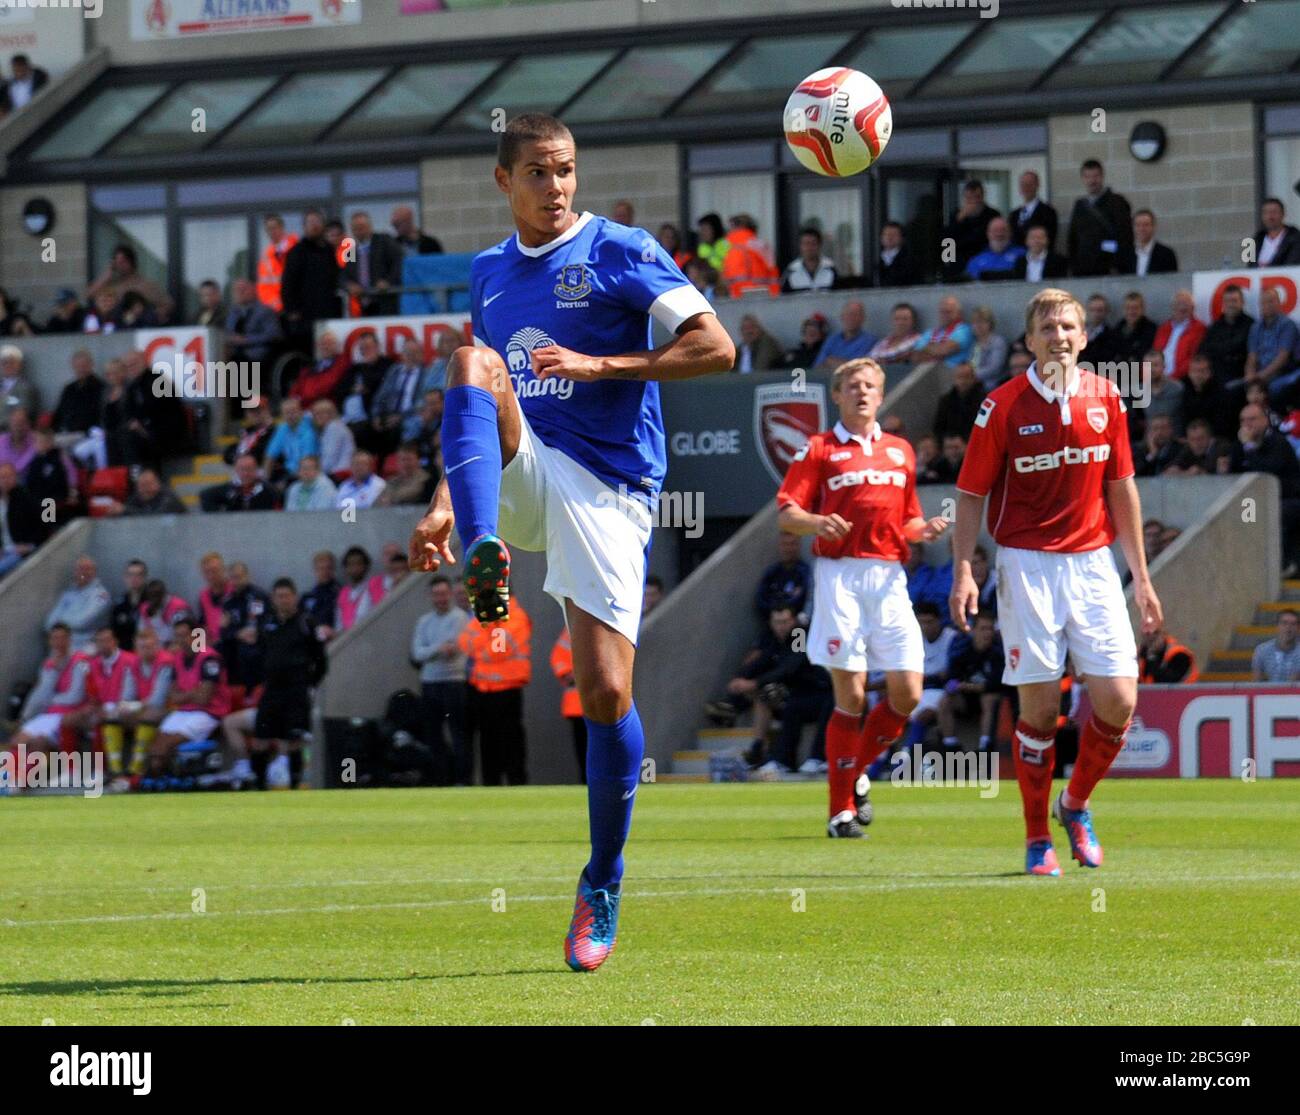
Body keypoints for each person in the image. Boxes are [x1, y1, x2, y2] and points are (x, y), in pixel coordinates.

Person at [408, 112, 733, 972]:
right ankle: (487, 554)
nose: (557, 187)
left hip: (611, 486)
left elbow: (717, 346)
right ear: (503, 180)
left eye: (567, 170)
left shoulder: (621, 249)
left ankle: (603, 875)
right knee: (470, 364)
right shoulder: (486, 274)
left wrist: (600, 366)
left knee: (604, 690)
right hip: (524, 474)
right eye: (539, 173)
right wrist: (446, 498)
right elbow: (486, 397)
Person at [950, 287, 1162, 877]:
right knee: (1040, 712)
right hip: (1025, 563)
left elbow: (1121, 488)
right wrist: (965, 568)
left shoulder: (1107, 398)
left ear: (1084, 337)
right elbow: (968, 496)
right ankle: (1037, 836)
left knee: (1119, 701)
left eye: (1068, 327)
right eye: (1048, 329)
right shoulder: (1002, 407)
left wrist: (1140, 578)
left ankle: (1077, 804)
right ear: (1030, 341)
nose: (1059, 337)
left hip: (1094, 563)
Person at [776, 357, 949, 837]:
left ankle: (852, 774)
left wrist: (924, 530)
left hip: (891, 576)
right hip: (839, 576)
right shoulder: (819, 448)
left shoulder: (900, 452)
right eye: (852, 385)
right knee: (850, 696)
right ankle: (840, 813)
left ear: (881, 393)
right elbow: (788, 512)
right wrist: (816, 522)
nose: (862, 392)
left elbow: (909, 520)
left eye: (870, 385)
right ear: (836, 395)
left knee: (908, 692)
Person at [249, 578, 327, 791]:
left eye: (286, 595)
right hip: (272, 689)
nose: (283, 600)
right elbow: (260, 652)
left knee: (295, 740)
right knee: (260, 740)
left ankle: (295, 785)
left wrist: (309, 684)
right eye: (279, 596)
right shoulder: (267, 623)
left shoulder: (306, 623)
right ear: (273, 599)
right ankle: (259, 785)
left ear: (294, 597)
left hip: (296, 690)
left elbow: (321, 660)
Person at [457, 596, 532, 786]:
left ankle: (517, 784)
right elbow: (464, 641)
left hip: (508, 687)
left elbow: (498, 649)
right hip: (483, 688)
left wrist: (483, 645)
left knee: (511, 743)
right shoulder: (486, 614)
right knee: (487, 743)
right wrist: (487, 640)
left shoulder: (516, 616)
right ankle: (491, 784)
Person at [147, 616, 231, 780]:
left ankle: (164, 779)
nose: (181, 640)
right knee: (156, 745)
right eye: (177, 636)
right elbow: (174, 697)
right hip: (184, 711)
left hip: (208, 712)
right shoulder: (177, 659)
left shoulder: (209, 658)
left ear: (196, 636)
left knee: (168, 743)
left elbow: (204, 698)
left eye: (185, 635)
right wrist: (193, 693)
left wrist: (185, 695)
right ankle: (157, 780)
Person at [411, 575, 471, 785]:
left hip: (454, 682)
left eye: (444, 593)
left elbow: (453, 649)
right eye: (436, 594)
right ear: (430, 596)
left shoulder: (460, 618)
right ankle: (440, 780)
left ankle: (463, 780)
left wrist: (431, 650)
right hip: (430, 684)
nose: (441, 598)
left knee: (459, 735)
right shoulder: (424, 621)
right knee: (433, 736)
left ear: (450, 595)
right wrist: (438, 649)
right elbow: (417, 653)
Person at [1228, 403, 1300, 575]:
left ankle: (1283, 564)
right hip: (1252, 501)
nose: (1247, 424)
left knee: (1274, 514)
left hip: (1285, 498)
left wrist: (1250, 448)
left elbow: (1267, 473)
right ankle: (1250, 567)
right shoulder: (1239, 446)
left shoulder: (1278, 443)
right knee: (1244, 517)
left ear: (1265, 420)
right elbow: (1233, 475)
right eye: (1243, 420)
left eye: (1252, 419)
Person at [5, 625, 89, 762]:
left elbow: (75, 696)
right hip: (49, 713)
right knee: (17, 741)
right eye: (55, 638)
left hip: (70, 713)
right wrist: (53, 672)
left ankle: (20, 778)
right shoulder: (49, 664)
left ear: (69, 639)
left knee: (37, 743)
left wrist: (50, 700)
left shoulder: (80, 661)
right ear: (50, 641)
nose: (58, 642)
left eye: (62, 638)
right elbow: (40, 695)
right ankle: (8, 778)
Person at [938, 612, 1007, 753]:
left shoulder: (999, 653)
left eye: (990, 629)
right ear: (973, 630)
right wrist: (954, 685)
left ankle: (985, 745)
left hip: (991, 702)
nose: (987, 633)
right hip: (966, 700)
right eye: (983, 629)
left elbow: (996, 684)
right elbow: (951, 678)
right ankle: (949, 744)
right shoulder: (963, 651)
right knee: (945, 700)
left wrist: (969, 686)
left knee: (988, 698)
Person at [280, 209, 341, 344]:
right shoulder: (296, 252)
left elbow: (336, 277)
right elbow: (287, 284)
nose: (315, 225)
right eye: (311, 222)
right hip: (305, 318)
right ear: (304, 226)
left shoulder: (329, 250)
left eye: (317, 221)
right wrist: (292, 310)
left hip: (328, 315)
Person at [1066, 159, 1134, 276]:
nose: (1092, 181)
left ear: (1102, 176)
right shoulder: (1080, 205)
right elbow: (1073, 238)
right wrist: (1073, 264)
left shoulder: (1117, 202)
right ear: (1083, 178)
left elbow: (1125, 236)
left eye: (1095, 176)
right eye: (1088, 177)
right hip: (1083, 268)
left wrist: (1116, 264)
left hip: (1108, 268)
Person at [342, 210, 404, 316]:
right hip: (363, 306)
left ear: (370, 226)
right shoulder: (351, 250)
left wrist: (388, 281)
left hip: (385, 302)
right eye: (356, 228)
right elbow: (344, 274)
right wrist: (349, 285)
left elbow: (399, 262)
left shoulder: (383, 241)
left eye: (362, 226)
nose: (359, 230)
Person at [45, 555, 111, 652]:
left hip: (85, 647)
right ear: (75, 572)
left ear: (94, 572)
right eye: (80, 569)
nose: (83, 572)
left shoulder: (100, 595)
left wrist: (59, 624)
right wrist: (59, 627)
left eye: (87, 569)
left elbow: (81, 622)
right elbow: (49, 623)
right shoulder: (68, 593)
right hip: (61, 644)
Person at [942, 179, 1000, 280]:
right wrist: (959, 220)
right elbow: (947, 241)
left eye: (977, 197)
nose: (973, 202)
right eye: (969, 198)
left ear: (982, 197)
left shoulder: (992, 215)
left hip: (985, 260)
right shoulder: (956, 216)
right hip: (960, 261)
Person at [551, 625, 587, 782]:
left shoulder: (574, 627)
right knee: (583, 750)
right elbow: (558, 657)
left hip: (592, 703)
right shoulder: (572, 629)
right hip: (577, 705)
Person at [753, 530, 811, 626]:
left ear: (799, 546)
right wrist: (775, 612)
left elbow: (804, 598)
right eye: (785, 544)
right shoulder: (772, 572)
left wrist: (787, 612)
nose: (788, 549)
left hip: (797, 628)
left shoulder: (805, 573)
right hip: (772, 626)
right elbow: (760, 600)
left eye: (792, 544)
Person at [263, 397, 319, 485]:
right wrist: (265, 481)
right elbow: (270, 456)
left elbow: (308, 461)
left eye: (293, 411)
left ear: (301, 412)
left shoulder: (308, 431)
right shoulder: (282, 428)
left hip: (307, 473)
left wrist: (286, 482)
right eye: (287, 413)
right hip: (289, 472)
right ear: (282, 415)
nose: (290, 415)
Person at [1152, 289, 1207, 381]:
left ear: (1192, 308)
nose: (1182, 308)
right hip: (1156, 377)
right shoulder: (1164, 328)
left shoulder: (1199, 329)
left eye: (1186, 304)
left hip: (1179, 379)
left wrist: (1170, 379)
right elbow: (1153, 354)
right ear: (1172, 307)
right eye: (1178, 304)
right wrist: (1147, 378)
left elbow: (1193, 359)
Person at [909, 296, 973, 367]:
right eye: (942, 312)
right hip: (926, 371)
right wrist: (936, 350)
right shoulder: (930, 332)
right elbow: (915, 356)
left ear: (958, 313)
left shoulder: (964, 330)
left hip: (951, 373)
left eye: (948, 312)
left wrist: (927, 348)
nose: (944, 315)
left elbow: (943, 350)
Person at [932, 363, 987, 443]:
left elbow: (983, 426)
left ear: (974, 378)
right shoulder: (946, 401)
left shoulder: (984, 400)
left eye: (966, 377)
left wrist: (964, 441)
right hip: (950, 445)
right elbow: (938, 428)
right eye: (959, 377)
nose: (963, 381)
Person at [814, 301, 875, 370]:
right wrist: (843, 363)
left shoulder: (869, 341)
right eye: (848, 314)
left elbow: (858, 369)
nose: (851, 318)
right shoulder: (832, 339)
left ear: (862, 318)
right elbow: (817, 367)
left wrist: (830, 361)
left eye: (855, 315)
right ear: (841, 317)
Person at [1009, 170, 1057, 248]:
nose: (1026, 187)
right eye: (1023, 184)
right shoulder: (1014, 214)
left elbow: (1050, 240)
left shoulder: (1048, 212)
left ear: (1037, 185)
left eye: (1030, 184)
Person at [781, 227, 838, 292]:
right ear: (800, 246)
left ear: (819, 245)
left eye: (813, 244)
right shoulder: (791, 271)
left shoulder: (830, 268)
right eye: (806, 244)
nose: (809, 248)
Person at [1249, 197, 1300, 268]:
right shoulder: (1257, 239)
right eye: (1266, 213)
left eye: (1274, 212)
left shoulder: (1295, 238)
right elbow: (1250, 266)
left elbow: (1292, 263)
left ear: (1283, 214)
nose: (1270, 216)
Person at [376, 442, 432, 506]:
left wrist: (390, 498)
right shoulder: (392, 481)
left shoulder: (426, 479)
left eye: (409, 459)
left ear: (418, 460)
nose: (405, 463)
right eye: (402, 459)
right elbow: (378, 501)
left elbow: (412, 492)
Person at [968, 306, 1009, 391]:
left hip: (991, 384)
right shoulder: (975, 344)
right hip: (973, 382)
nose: (978, 326)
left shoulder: (998, 342)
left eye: (982, 322)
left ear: (990, 324)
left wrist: (971, 375)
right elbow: (970, 363)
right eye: (975, 322)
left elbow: (995, 368)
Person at [1252, 609, 1300, 681]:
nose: (1288, 627)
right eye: (1284, 623)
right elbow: (1256, 681)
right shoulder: (1261, 650)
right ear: (1277, 626)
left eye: (1293, 624)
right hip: (1268, 691)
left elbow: (1293, 681)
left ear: (1298, 628)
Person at [1130, 210, 1178, 275]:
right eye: (1138, 225)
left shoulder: (1167, 254)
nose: (1141, 229)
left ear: (1153, 227)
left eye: (1146, 225)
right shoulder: (1126, 254)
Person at [873, 221, 919, 287]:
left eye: (894, 235)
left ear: (902, 238)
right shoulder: (878, 259)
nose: (889, 238)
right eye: (886, 234)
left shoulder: (910, 260)